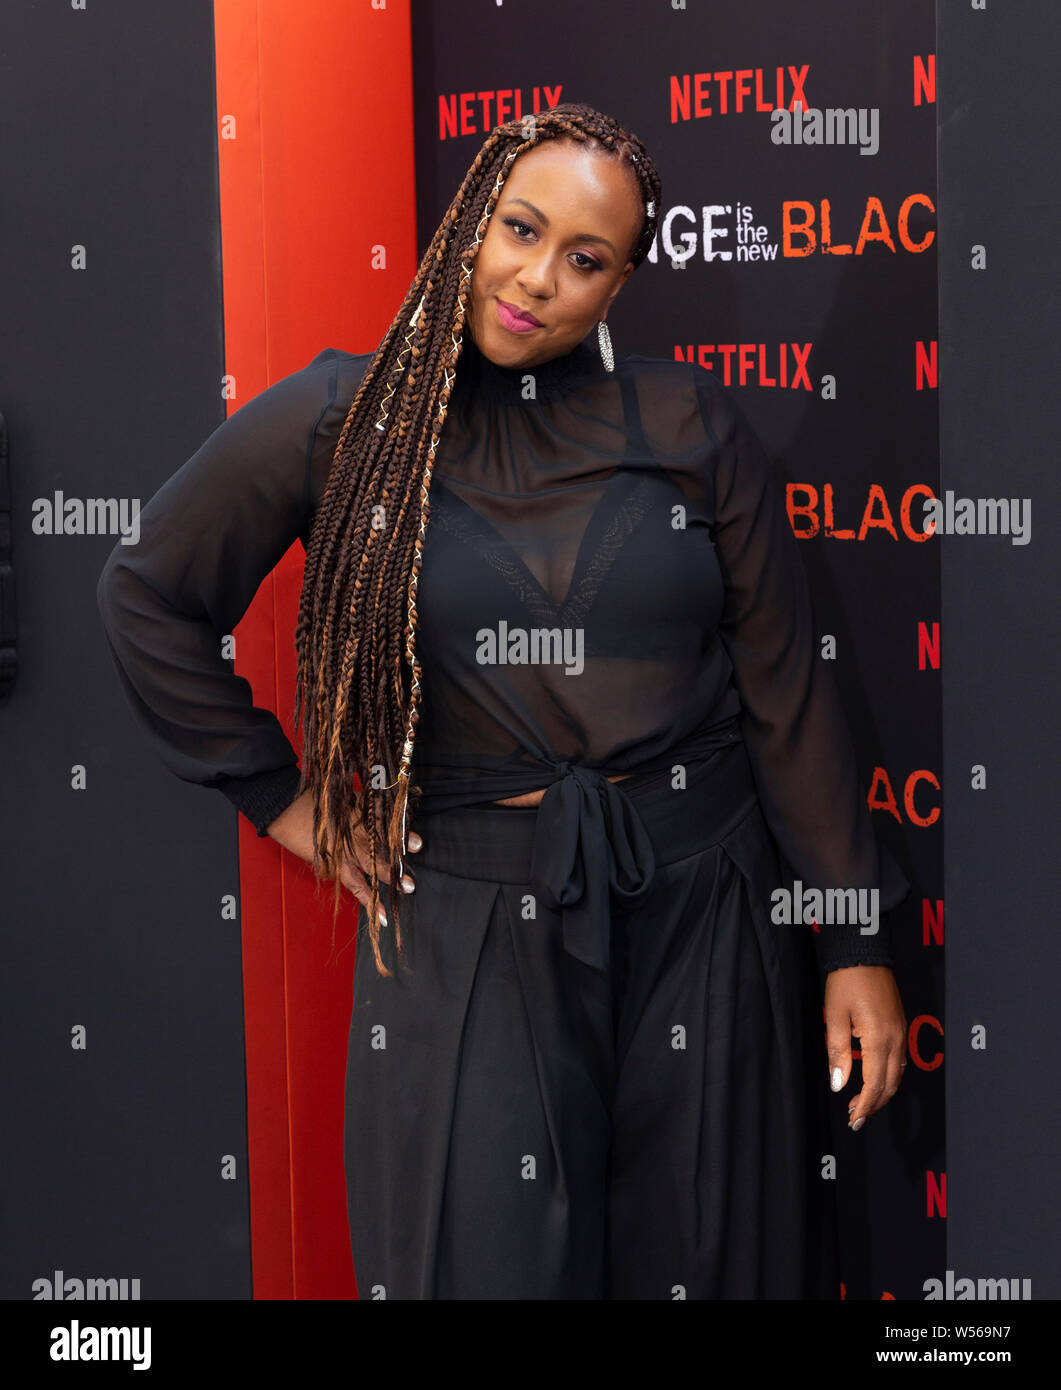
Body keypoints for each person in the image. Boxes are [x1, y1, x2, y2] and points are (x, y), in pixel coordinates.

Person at [96, 102, 910, 1300]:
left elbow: (786, 697)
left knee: (713, 1258)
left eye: (584, 260)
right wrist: (280, 796)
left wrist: (853, 941)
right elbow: (145, 590)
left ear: (620, 283)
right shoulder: (345, 419)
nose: (536, 278)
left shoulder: (685, 423)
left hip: (703, 910)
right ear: (467, 222)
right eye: (517, 229)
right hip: (466, 919)